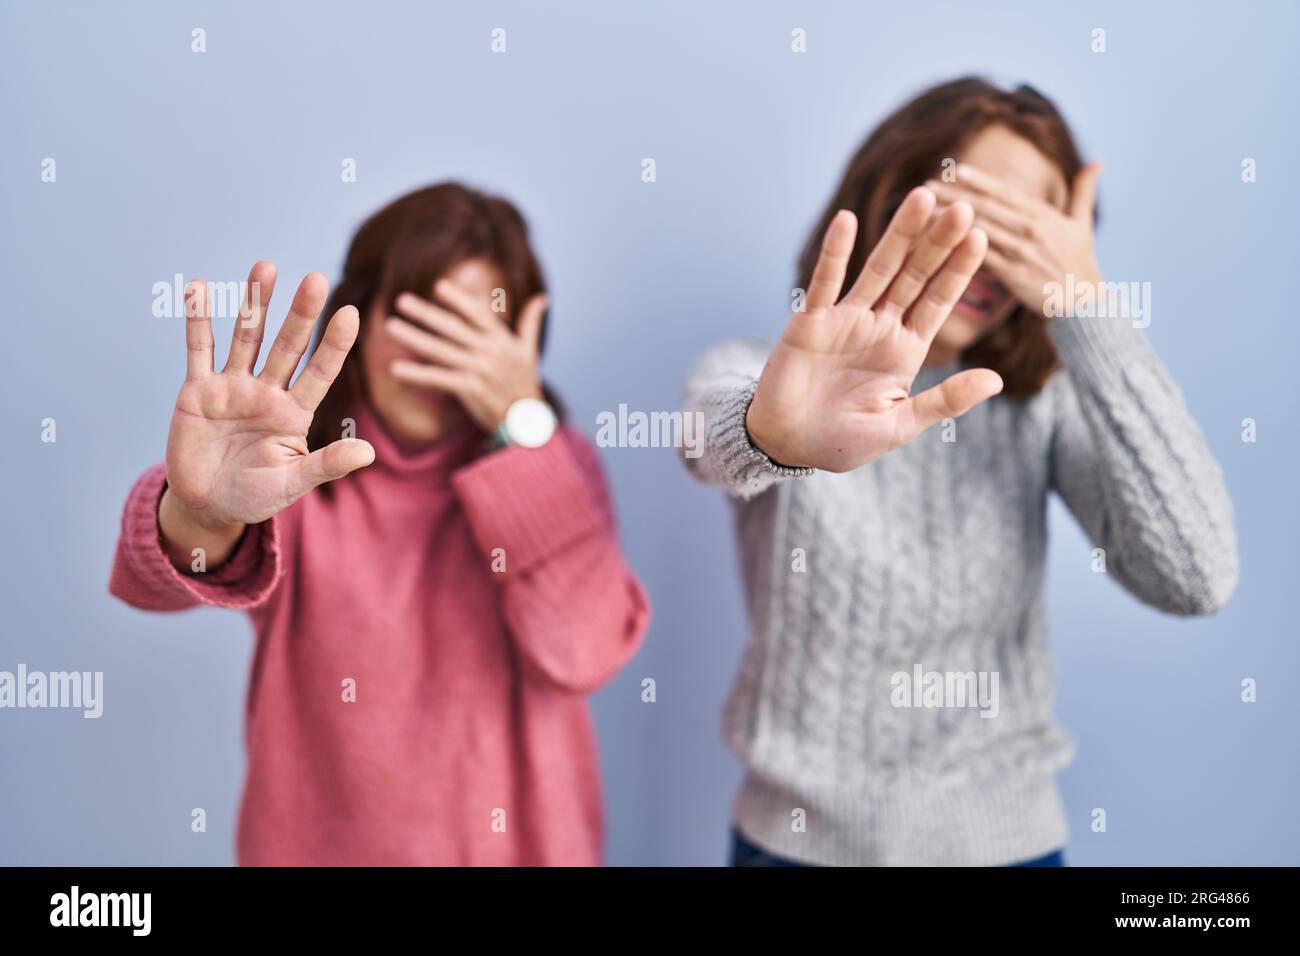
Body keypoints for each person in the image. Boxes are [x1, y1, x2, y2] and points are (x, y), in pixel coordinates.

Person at [681, 78, 1237, 866]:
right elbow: (705, 435)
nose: (988, 252)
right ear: (892, 198)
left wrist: (1089, 309)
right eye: (970, 210)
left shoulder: (1040, 408)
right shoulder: (760, 377)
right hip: (792, 846)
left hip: (1005, 847)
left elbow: (1195, 575)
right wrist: (768, 434)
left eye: (1026, 229)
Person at [110, 183, 649, 865]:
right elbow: (149, 583)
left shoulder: (556, 465)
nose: (430, 361)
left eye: (467, 330)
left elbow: (587, 651)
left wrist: (523, 431)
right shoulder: (297, 470)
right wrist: (199, 512)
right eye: (413, 317)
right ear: (355, 320)